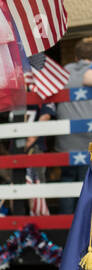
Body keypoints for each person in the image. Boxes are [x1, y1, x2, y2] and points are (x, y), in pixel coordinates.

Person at [30, 38, 92, 215]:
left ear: (75, 56)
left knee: (66, 181)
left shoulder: (62, 74)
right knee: (85, 185)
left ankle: (66, 223)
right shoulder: (89, 73)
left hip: (65, 139)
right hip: (88, 141)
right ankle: (84, 226)